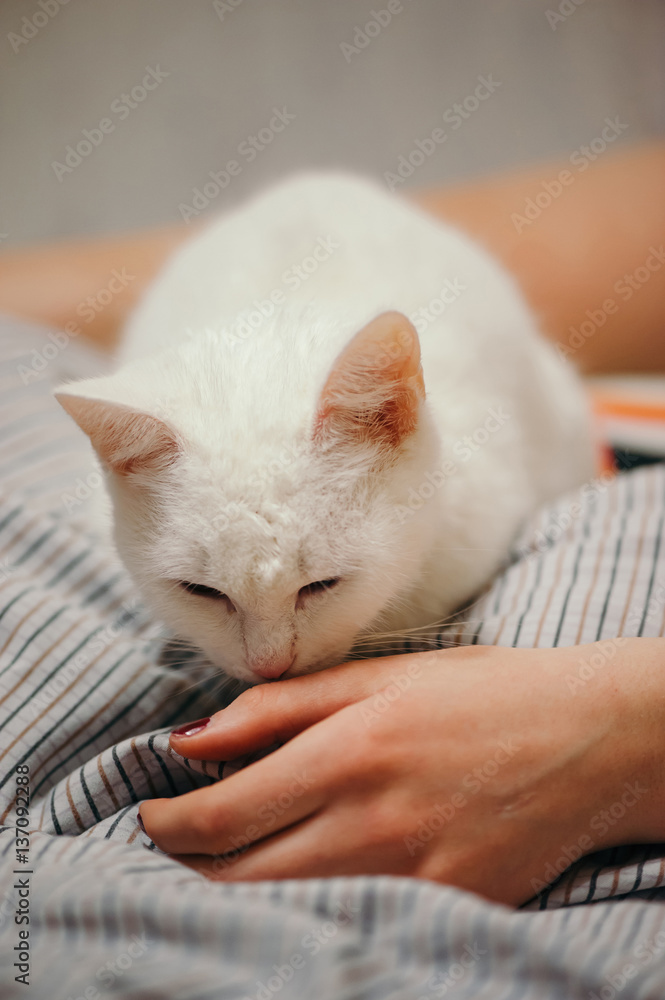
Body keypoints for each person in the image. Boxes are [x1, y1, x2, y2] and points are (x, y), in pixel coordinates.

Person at [3, 142, 664, 905]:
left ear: (392, 423)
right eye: (201, 592)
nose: (268, 659)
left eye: (318, 584)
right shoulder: (142, 433)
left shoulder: (484, 470)